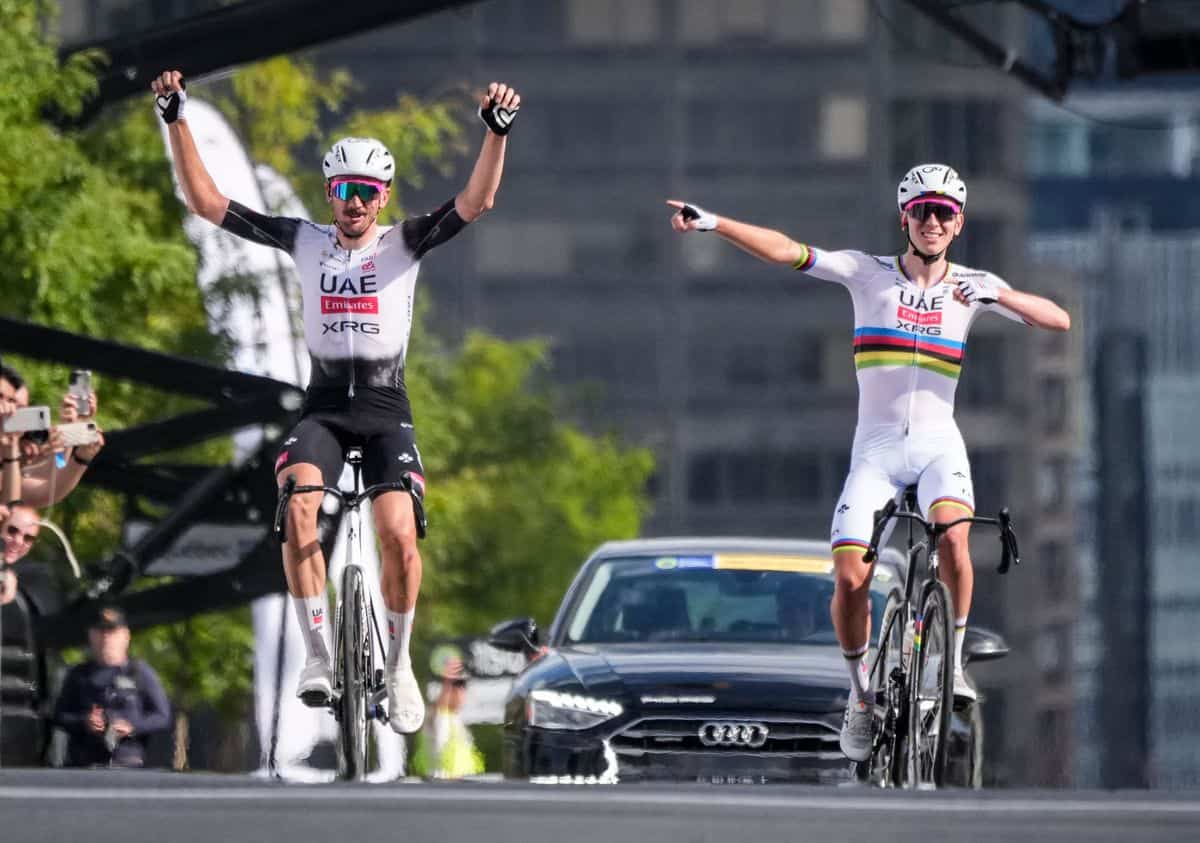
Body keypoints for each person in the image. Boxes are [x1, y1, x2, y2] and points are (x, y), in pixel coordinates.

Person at [150, 69, 521, 734]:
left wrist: (495, 135)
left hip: (384, 410)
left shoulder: (404, 242)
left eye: (368, 192)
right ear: (329, 192)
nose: (355, 203)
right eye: (345, 191)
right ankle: (318, 657)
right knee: (297, 511)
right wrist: (176, 118)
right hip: (321, 409)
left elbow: (477, 201)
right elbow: (209, 203)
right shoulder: (304, 239)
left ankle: (400, 663)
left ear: (383, 198)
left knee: (399, 537)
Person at [667, 164, 1070, 762]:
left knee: (956, 542)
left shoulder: (974, 284)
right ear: (904, 217)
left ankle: (953, 664)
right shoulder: (866, 273)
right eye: (921, 211)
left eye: (944, 213)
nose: (932, 221)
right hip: (877, 452)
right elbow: (786, 252)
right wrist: (715, 223)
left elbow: (1058, 318)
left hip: (938, 445)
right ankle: (861, 697)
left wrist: (1000, 295)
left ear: (958, 224)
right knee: (851, 578)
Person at [53, 605, 172, 768]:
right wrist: (85, 722)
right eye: (100, 632)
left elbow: (162, 716)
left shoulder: (139, 673)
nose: (106, 639)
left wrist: (132, 726)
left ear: (126, 636)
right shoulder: (78, 674)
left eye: (112, 632)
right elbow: (60, 715)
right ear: (91, 635)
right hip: (83, 765)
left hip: (128, 763)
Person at [410, 650, 484, 779]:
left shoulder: (456, 719)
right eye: (459, 686)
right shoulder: (437, 715)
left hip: (460, 785)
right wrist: (448, 682)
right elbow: (439, 709)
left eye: (464, 686)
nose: (463, 692)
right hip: (438, 785)